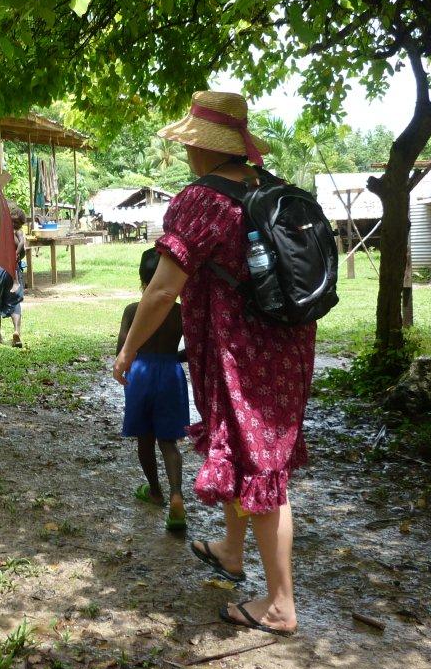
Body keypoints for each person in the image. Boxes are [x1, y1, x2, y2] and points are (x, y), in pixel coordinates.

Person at [113, 91, 316, 637]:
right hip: (288, 345)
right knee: (243, 446)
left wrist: (129, 349)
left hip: (241, 351)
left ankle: (280, 605)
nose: (186, 156)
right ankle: (231, 549)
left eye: (188, 146)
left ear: (202, 149)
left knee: (263, 468)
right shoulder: (269, 187)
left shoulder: (200, 200)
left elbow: (161, 289)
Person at [116, 248, 189, 532]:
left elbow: (123, 349)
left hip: (141, 375)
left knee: (144, 440)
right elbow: (193, 351)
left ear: (141, 277)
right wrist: (172, 357)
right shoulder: (181, 313)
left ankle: (154, 491)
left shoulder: (133, 310)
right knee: (168, 442)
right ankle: (176, 495)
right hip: (170, 374)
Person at [0, 202, 27, 347]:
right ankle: (16, 331)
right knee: (14, 301)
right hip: (10, 271)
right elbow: (22, 253)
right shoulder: (16, 233)